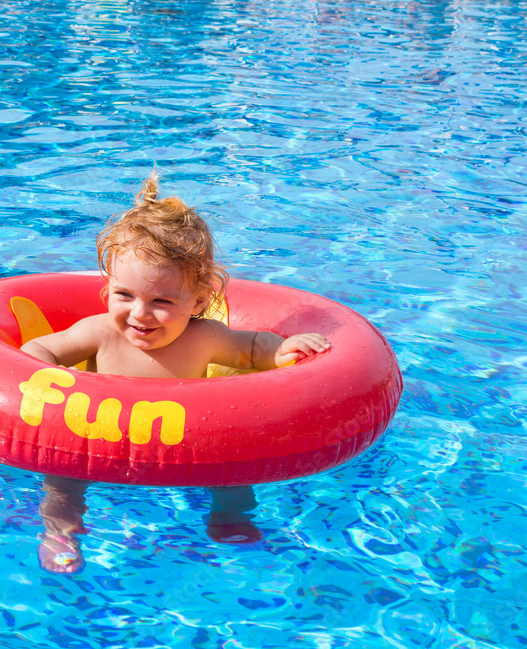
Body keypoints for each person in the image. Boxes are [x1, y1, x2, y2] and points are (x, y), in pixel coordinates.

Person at [22, 168, 330, 574]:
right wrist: (52, 381)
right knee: (62, 481)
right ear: (107, 289)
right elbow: (39, 348)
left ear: (199, 301)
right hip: (96, 438)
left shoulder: (205, 338)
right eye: (124, 295)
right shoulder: (99, 333)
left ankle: (230, 520)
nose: (139, 313)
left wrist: (282, 352)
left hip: (183, 443)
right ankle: (60, 531)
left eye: (162, 301)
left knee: (234, 477)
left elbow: (254, 347)